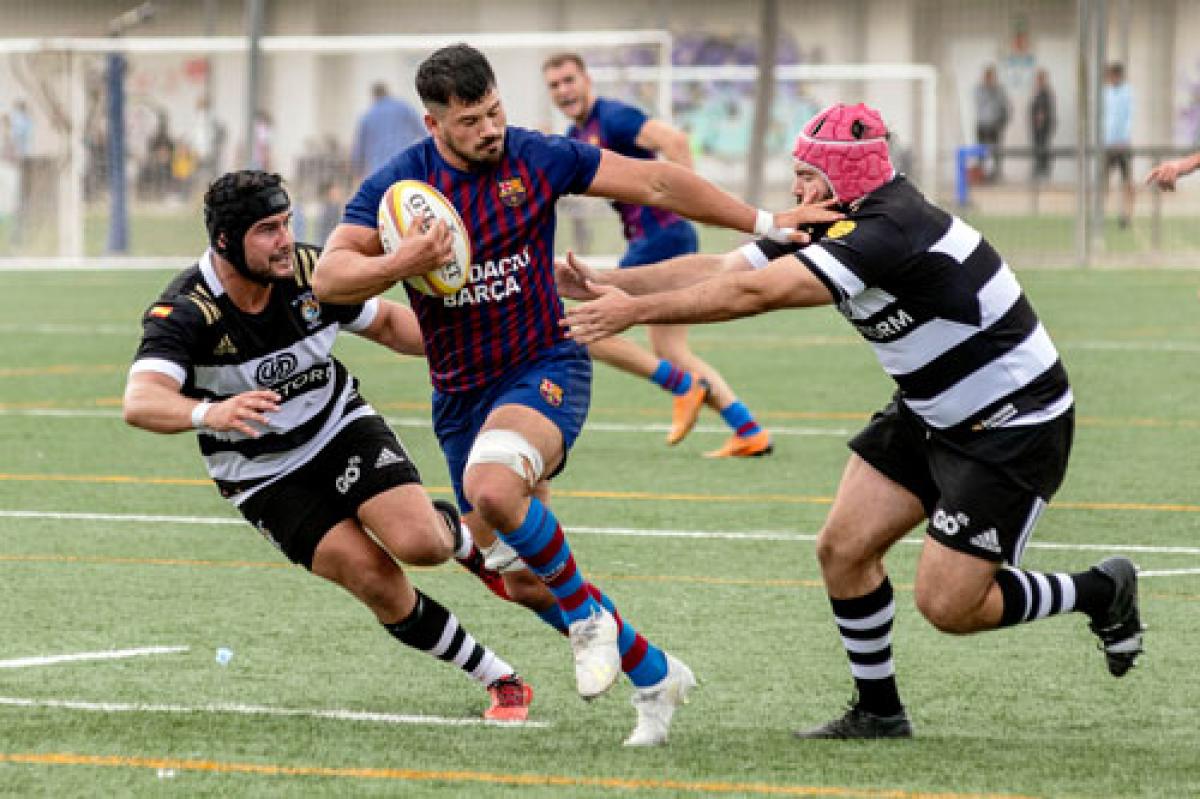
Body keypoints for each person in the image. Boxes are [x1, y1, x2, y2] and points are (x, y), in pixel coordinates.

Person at [561, 103, 1145, 739]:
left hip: (1010, 421)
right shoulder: (833, 219)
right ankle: (879, 712)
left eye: (807, 174)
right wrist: (605, 281)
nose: (795, 189)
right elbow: (725, 269)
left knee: (950, 606)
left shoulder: (887, 229)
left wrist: (630, 312)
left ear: (843, 176)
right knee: (843, 549)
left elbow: (755, 295)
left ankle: (1100, 589)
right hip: (929, 408)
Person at [312, 43, 838, 746]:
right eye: (470, 120)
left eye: (494, 110)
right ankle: (655, 673)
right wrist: (401, 261)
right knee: (522, 579)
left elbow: (655, 183)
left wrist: (766, 223)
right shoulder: (400, 185)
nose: (490, 128)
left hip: (547, 362)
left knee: (494, 487)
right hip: (460, 395)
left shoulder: (538, 157)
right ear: (434, 126)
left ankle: (589, 623)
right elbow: (329, 278)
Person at [123, 169, 533, 723]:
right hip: (263, 477)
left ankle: (453, 537)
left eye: (287, 223)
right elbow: (141, 399)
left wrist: (478, 345)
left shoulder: (311, 273)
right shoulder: (188, 310)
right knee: (378, 583)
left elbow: (388, 323)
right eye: (268, 229)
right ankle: (500, 679)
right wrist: (210, 412)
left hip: (339, 428)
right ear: (225, 241)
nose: (285, 239)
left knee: (421, 546)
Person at [542, 52, 771, 457]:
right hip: (653, 240)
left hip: (660, 239)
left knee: (580, 329)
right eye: (555, 85)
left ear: (587, 79)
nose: (563, 90)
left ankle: (683, 387)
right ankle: (748, 430)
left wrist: (691, 201)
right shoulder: (577, 135)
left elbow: (674, 141)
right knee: (670, 349)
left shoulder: (614, 117)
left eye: (568, 80)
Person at [351, 82, 426, 182]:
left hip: (379, 170)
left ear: (374, 96)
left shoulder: (367, 116)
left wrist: (357, 172)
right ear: (388, 92)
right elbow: (423, 131)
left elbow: (359, 149)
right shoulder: (404, 108)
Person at [1103, 63, 1135, 228]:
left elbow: (1128, 118)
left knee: (1128, 182)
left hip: (1122, 144)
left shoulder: (1127, 93)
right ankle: (1101, 214)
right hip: (1107, 144)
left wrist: (1123, 140)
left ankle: (1127, 215)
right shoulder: (1105, 93)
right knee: (1103, 181)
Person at [973, 65, 1010, 182]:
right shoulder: (979, 89)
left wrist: (1002, 122)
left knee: (996, 152)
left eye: (992, 77)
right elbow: (981, 103)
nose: (990, 79)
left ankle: (996, 175)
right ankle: (981, 175)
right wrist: (989, 91)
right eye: (988, 77)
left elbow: (1004, 105)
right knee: (981, 152)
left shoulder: (999, 90)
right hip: (983, 125)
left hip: (995, 125)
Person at [1030, 69, 1056, 182]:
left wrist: (1041, 117)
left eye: (1040, 79)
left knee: (1043, 145)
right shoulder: (1037, 91)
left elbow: (1043, 108)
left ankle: (1043, 169)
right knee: (1038, 145)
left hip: (1043, 125)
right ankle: (1039, 167)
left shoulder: (1046, 92)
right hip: (1037, 125)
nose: (1038, 81)